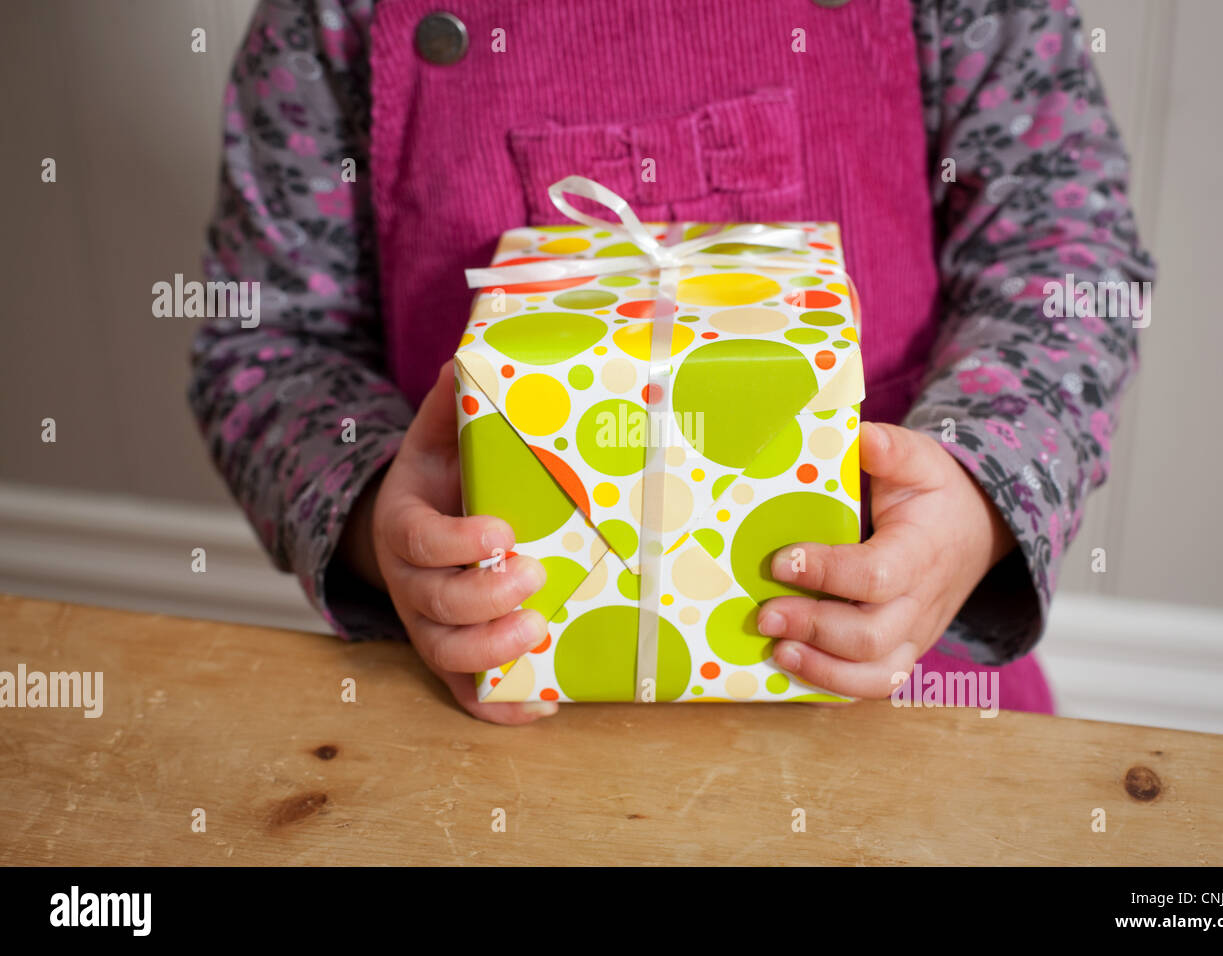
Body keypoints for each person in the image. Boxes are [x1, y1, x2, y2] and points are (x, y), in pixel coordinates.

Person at [190, 0, 1155, 724]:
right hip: (481, 702)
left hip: (905, 686)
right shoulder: (331, 16)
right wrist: (378, 525)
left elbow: (1065, 264)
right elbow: (266, 339)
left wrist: (977, 499)